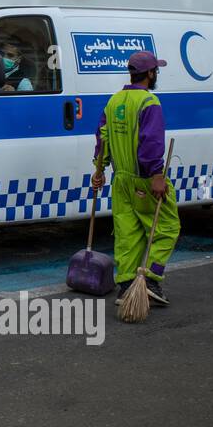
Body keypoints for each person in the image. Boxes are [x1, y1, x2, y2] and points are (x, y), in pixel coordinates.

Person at [91, 50, 179, 308]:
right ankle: (150, 280)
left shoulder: (114, 101)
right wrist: (157, 175)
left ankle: (127, 286)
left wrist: (99, 170)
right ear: (150, 73)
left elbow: (102, 139)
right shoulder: (149, 102)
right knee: (167, 228)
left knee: (127, 233)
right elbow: (150, 142)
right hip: (144, 178)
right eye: (156, 71)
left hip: (121, 180)